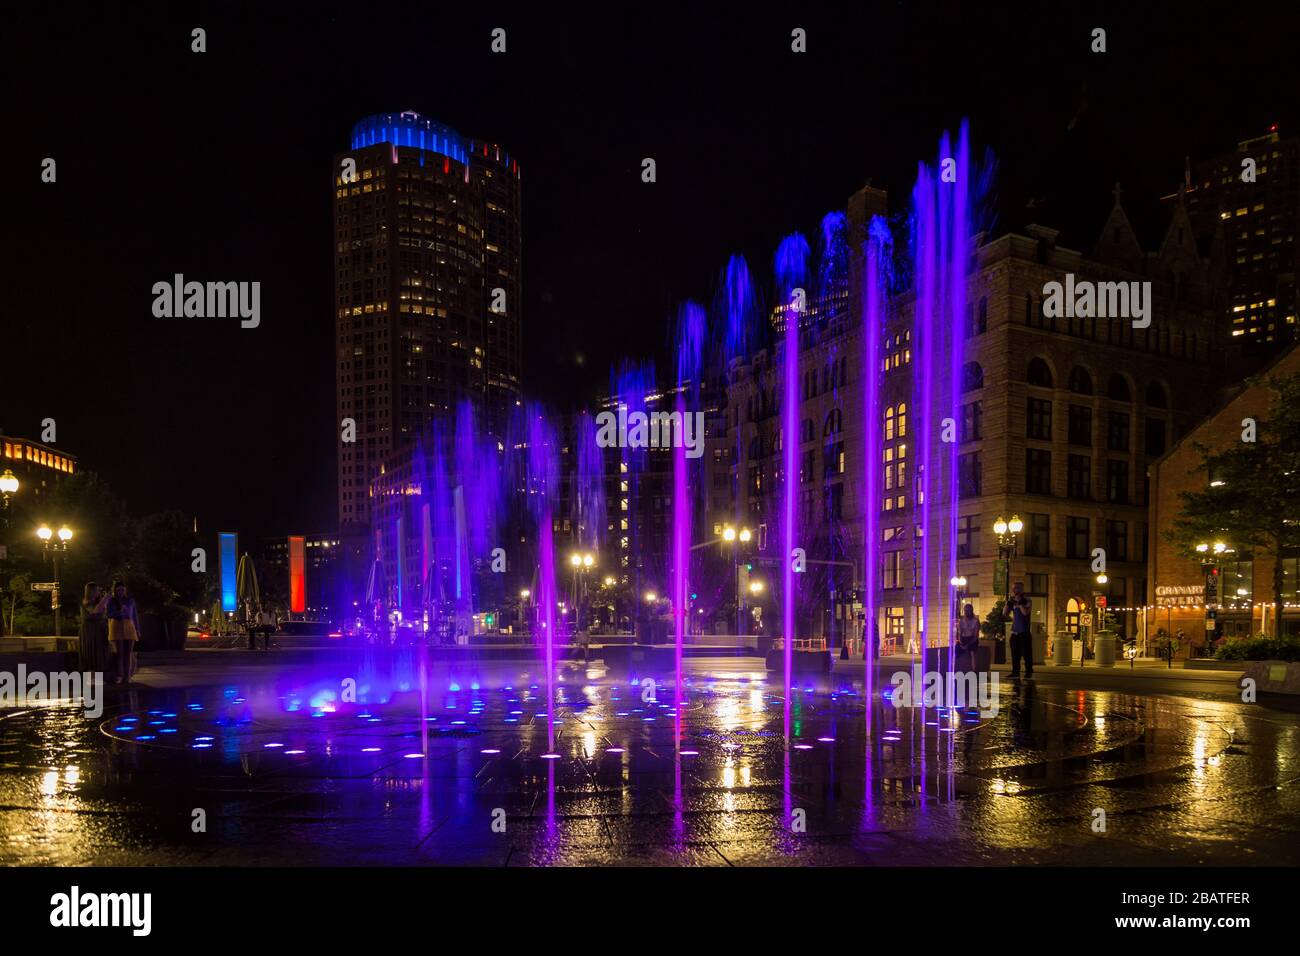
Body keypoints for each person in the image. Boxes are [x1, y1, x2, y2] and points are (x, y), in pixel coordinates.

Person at [105, 581, 141, 684]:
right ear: (115, 590)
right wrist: (119, 611)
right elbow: (109, 614)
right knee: (119, 653)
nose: (121, 591)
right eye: (118, 589)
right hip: (116, 626)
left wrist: (138, 629)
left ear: (125, 590)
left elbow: (134, 615)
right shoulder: (112, 601)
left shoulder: (130, 601)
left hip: (129, 626)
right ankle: (119, 675)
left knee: (128, 653)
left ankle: (127, 676)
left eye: (122, 589)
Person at [78, 582, 112, 677]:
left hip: (99, 630)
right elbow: (95, 611)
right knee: (92, 653)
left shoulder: (98, 602)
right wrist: (105, 598)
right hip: (90, 631)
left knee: (99, 654)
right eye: (97, 589)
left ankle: (97, 678)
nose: (99, 591)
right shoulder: (86, 602)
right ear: (91, 591)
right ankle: (92, 679)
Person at [1005, 582, 1033, 678]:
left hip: (1024, 632)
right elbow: (1004, 613)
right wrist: (1008, 603)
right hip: (1015, 632)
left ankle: (1028, 671)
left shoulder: (1027, 600)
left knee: (1026, 654)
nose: (1014, 590)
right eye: (1013, 588)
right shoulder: (1012, 601)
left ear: (1021, 589)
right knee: (1015, 654)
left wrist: (1019, 603)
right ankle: (1015, 672)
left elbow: (1025, 613)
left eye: (1016, 588)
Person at [955, 603, 981, 672]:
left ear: (971, 611)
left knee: (972, 653)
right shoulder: (961, 621)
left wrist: (968, 644)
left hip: (972, 639)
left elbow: (976, 635)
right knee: (955, 651)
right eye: (965, 610)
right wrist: (961, 643)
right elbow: (960, 633)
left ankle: (974, 671)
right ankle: (954, 669)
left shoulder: (976, 621)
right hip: (964, 638)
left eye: (968, 610)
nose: (966, 612)